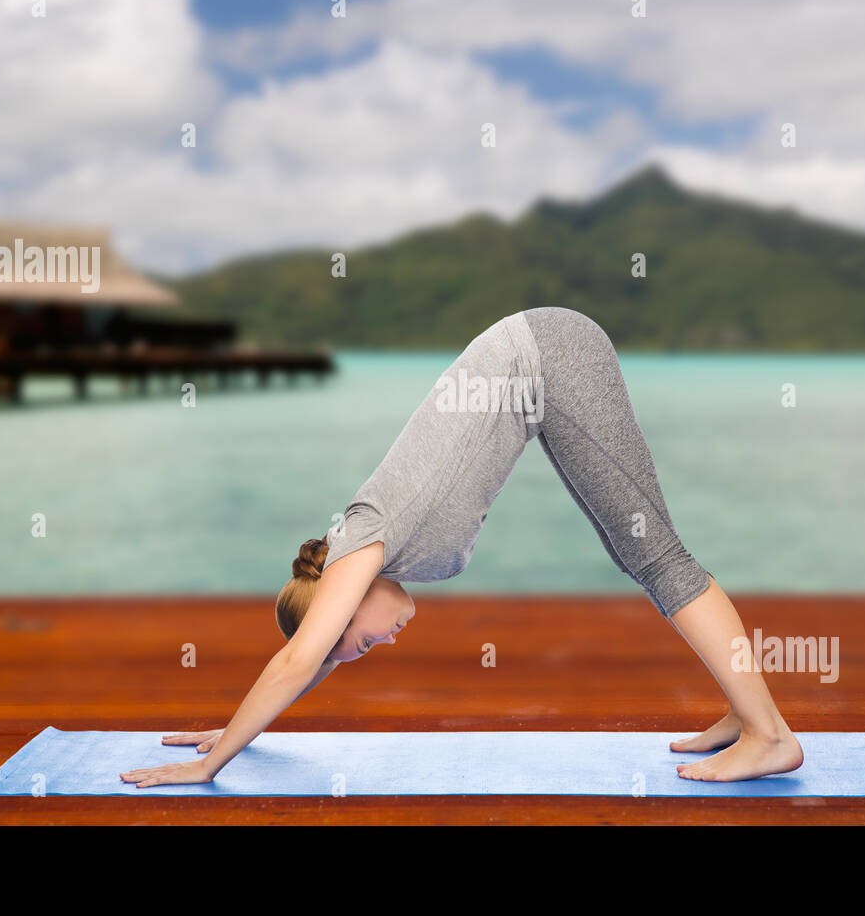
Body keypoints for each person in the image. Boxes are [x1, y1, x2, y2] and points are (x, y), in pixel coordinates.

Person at [121, 307, 802, 787]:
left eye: (362, 642)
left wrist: (210, 765)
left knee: (656, 558)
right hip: (538, 372)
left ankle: (770, 737)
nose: (382, 643)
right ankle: (749, 713)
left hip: (548, 354)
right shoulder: (366, 558)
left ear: (340, 602)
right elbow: (315, 660)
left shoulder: (361, 539)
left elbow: (300, 659)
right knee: (642, 557)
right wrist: (240, 730)